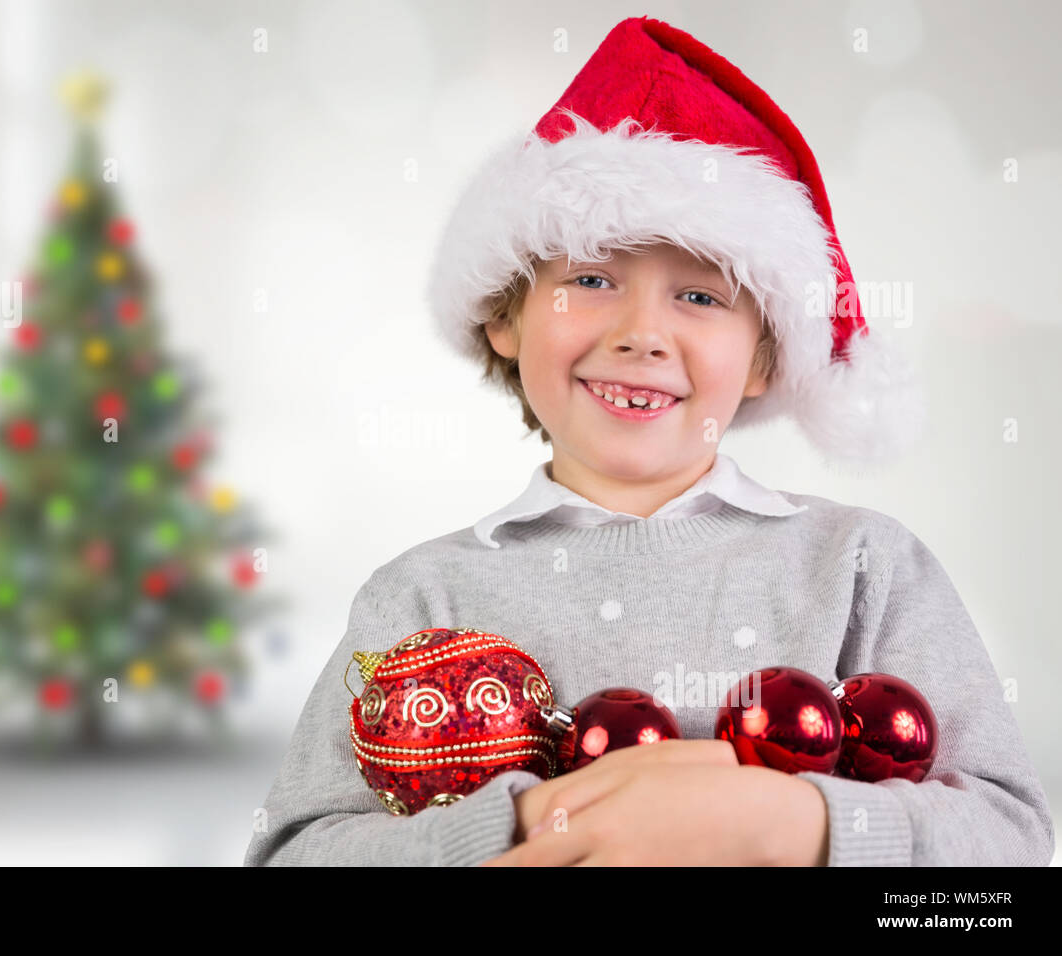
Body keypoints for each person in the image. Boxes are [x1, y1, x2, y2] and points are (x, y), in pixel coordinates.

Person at [241, 15, 1054, 866]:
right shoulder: (422, 597)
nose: (642, 333)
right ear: (505, 317)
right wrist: (526, 825)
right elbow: (293, 851)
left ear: (766, 357)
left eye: (699, 297)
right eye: (591, 279)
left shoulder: (865, 569)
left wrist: (798, 824)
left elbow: (1005, 861)